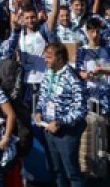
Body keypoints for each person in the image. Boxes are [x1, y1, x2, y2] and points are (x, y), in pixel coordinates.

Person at [35, 42, 87, 187]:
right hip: (49, 130)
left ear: (59, 58)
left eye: (49, 57)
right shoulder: (48, 73)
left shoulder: (72, 78)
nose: (45, 60)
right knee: (56, 171)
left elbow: (81, 109)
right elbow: (42, 96)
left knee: (72, 172)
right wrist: (38, 111)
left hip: (66, 133)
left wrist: (61, 121)